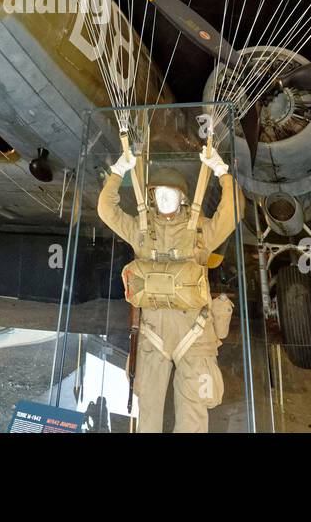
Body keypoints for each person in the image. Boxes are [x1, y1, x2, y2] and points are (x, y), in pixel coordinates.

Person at [98, 144, 242, 432]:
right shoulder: (140, 230)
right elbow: (107, 210)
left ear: (184, 197)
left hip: (195, 331)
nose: (164, 198)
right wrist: (117, 172)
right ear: (150, 197)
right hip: (153, 333)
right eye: (158, 193)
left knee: (193, 414)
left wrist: (222, 172)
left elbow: (232, 212)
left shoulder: (200, 231)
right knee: (148, 411)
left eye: (171, 193)